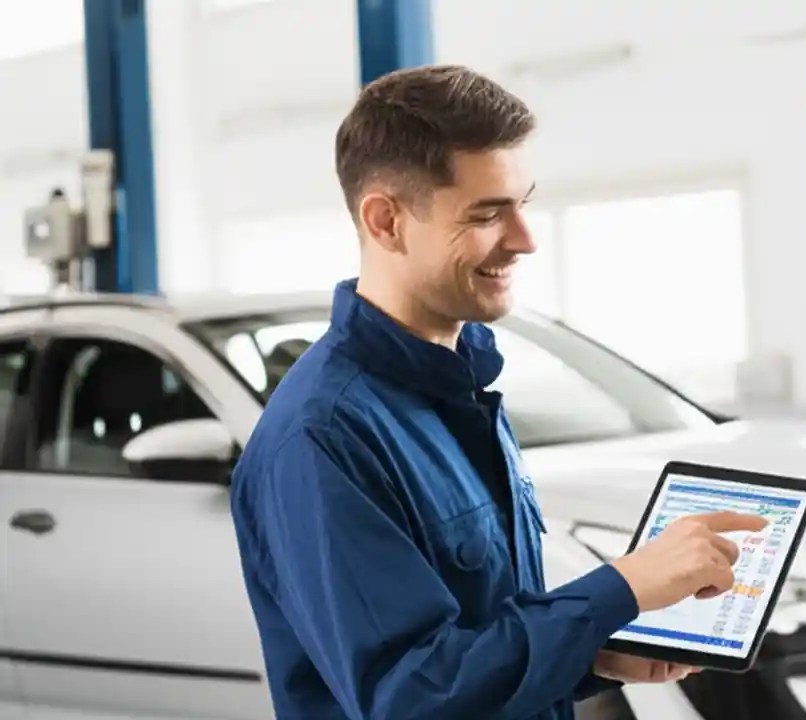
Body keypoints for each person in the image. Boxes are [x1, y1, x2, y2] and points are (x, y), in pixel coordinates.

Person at [229, 65, 766, 719]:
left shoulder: (462, 388)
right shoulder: (322, 438)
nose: (525, 240)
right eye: (487, 214)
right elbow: (411, 698)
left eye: (522, 204)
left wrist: (590, 654)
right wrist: (619, 590)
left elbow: (478, 645)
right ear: (387, 221)